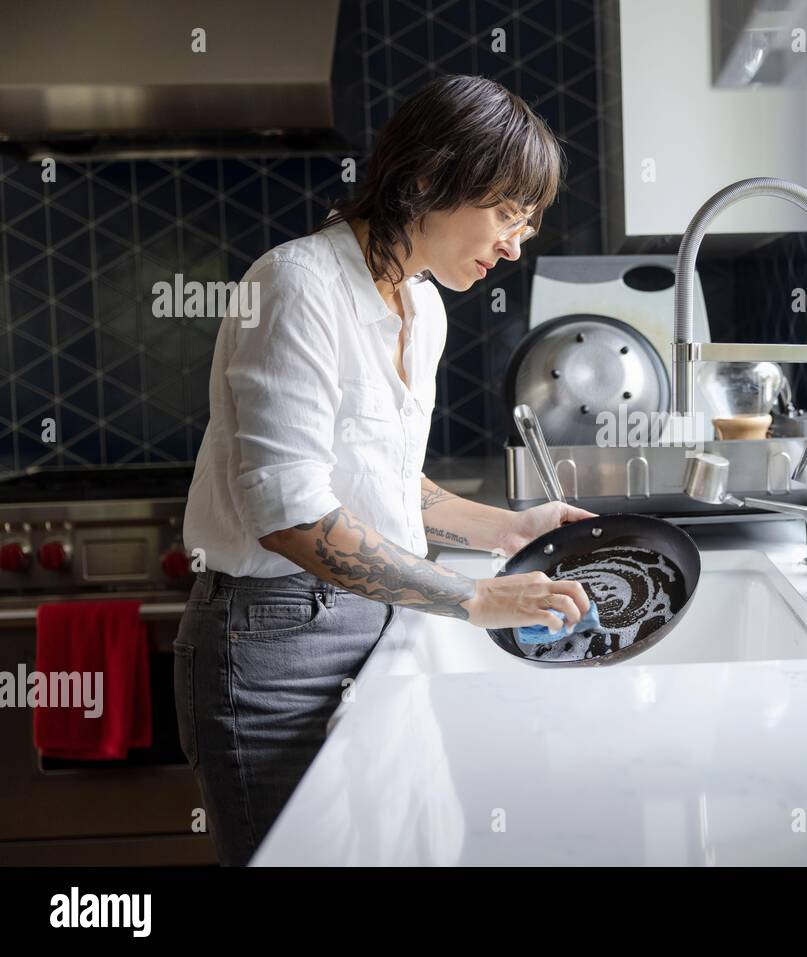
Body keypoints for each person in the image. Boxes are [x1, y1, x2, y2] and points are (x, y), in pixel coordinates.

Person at [174, 75, 595, 866]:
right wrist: (474, 595)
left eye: (526, 223)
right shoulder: (296, 285)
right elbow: (293, 517)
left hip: (379, 621)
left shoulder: (422, 304)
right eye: (507, 213)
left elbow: (386, 482)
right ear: (431, 178)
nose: (516, 242)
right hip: (275, 654)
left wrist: (506, 527)